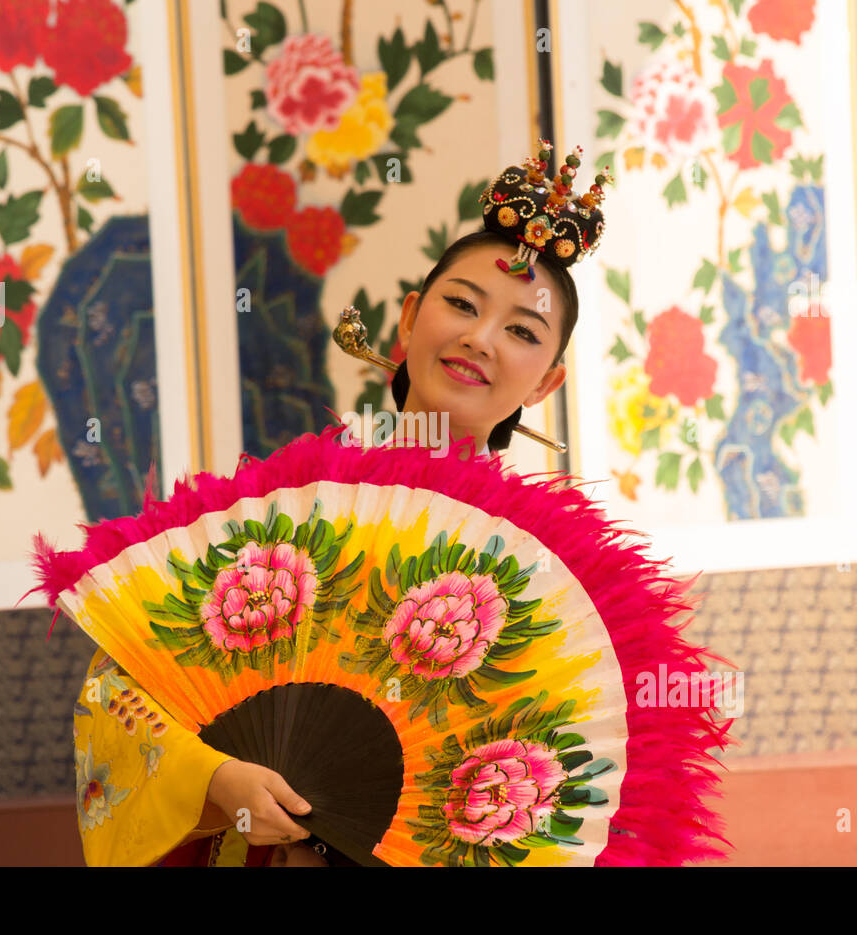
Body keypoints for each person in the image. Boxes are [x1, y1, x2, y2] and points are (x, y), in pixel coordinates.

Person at [71, 141, 619, 867]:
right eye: (461, 304)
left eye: (521, 330)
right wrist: (214, 778)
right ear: (410, 317)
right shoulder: (285, 517)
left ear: (546, 384)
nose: (479, 338)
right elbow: (118, 695)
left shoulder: (552, 587)